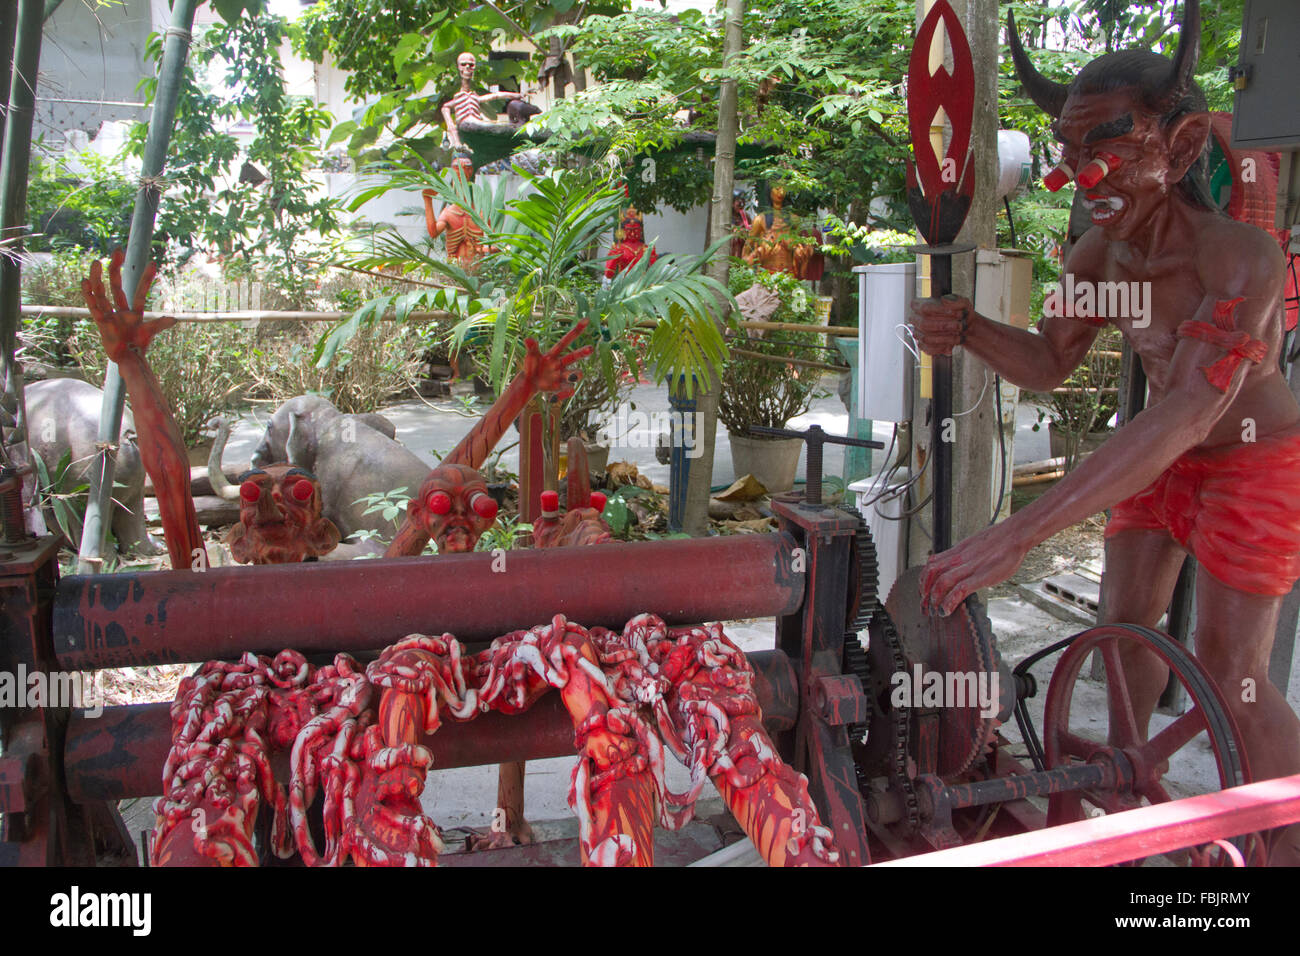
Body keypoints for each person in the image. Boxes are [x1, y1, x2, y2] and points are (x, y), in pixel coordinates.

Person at [910, 0, 1300, 863]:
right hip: (1161, 454)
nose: (1085, 176)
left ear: (1183, 144)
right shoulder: (1097, 258)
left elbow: (1196, 405)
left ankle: (1280, 848)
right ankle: (1137, 793)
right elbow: (1051, 361)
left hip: (1253, 460)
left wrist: (1018, 533)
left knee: (1233, 673)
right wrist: (968, 327)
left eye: (1108, 149)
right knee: (1126, 631)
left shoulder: (1239, 257)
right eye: (1072, 155)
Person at [442, 52, 537, 152]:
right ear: (458, 67)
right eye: (463, 64)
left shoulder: (475, 98)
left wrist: (520, 94)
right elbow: (447, 114)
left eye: (471, 65)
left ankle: (518, 135)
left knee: (500, 128)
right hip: (467, 126)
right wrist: (456, 141)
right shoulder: (456, 100)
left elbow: (497, 95)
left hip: (479, 126)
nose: (467, 68)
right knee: (495, 128)